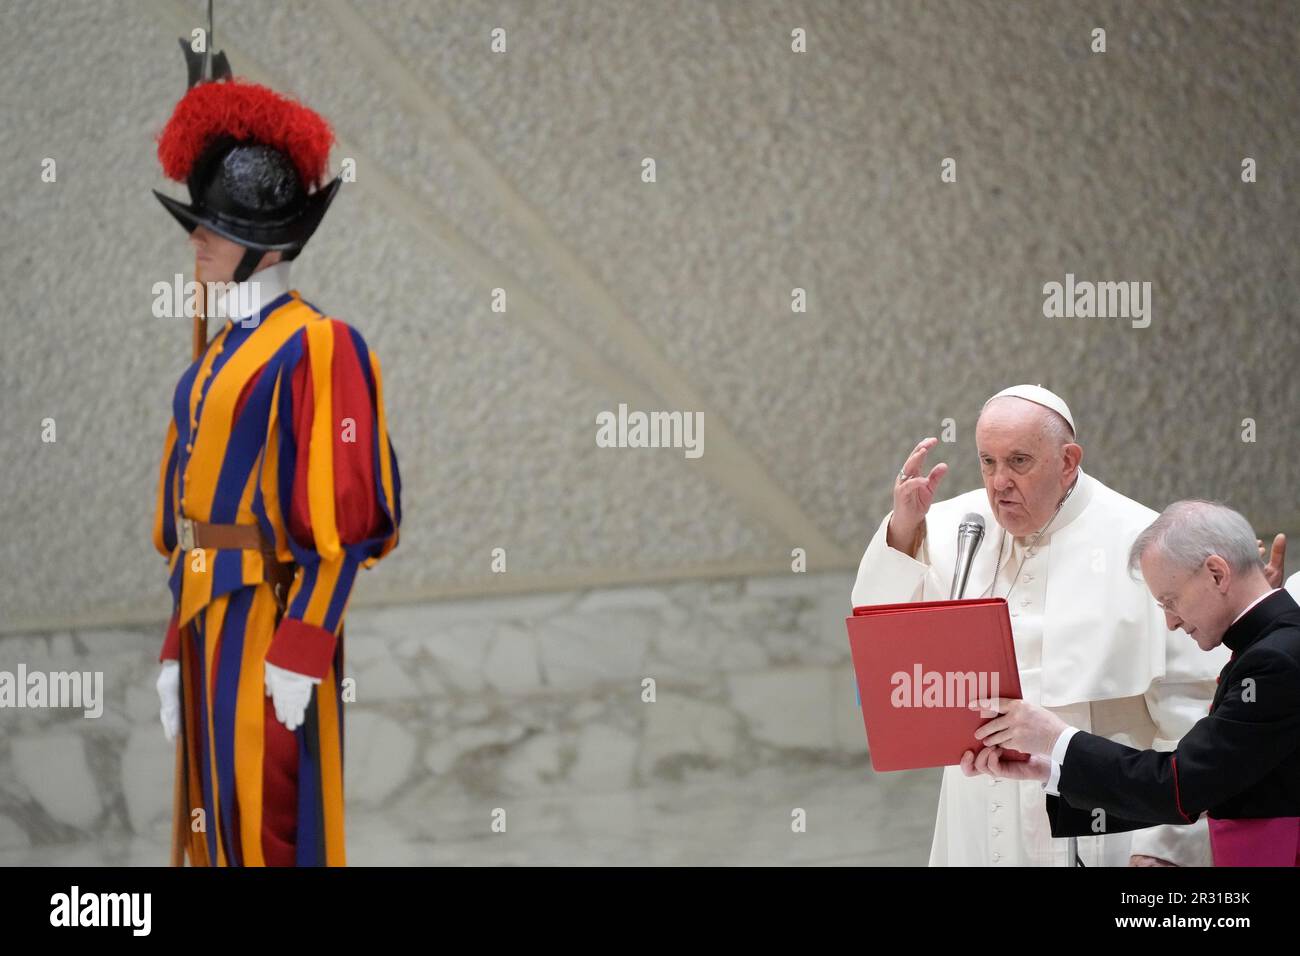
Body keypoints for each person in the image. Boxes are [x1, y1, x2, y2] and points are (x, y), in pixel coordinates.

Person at [151, 74, 401, 866]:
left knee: (267, 828)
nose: (198, 242)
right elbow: (191, 513)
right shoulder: (218, 353)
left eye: (216, 229)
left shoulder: (319, 346)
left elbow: (346, 522)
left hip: (270, 612)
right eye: (198, 225)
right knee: (214, 828)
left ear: (271, 243)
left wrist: (303, 645)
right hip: (205, 613)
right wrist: (171, 642)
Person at [851, 384, 1226, 866]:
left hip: (1101, 814)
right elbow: (879, 631)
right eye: (987, 462)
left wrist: (1163, 848)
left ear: (1068, 461)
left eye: (1019, 462)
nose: (999, 482)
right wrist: (902, 531)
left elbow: (1192, 710)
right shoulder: (951, 527)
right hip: (976, 807)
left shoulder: (1143, 542)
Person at [968, 500, 1300, 866]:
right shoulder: (1270, 645)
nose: (1171, 623)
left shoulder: (1275, 659)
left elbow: (1182, 785)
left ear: (1217, 574)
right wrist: (1053, 769)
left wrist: (1056, 739)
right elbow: (1215, 785)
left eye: (1171, 602)